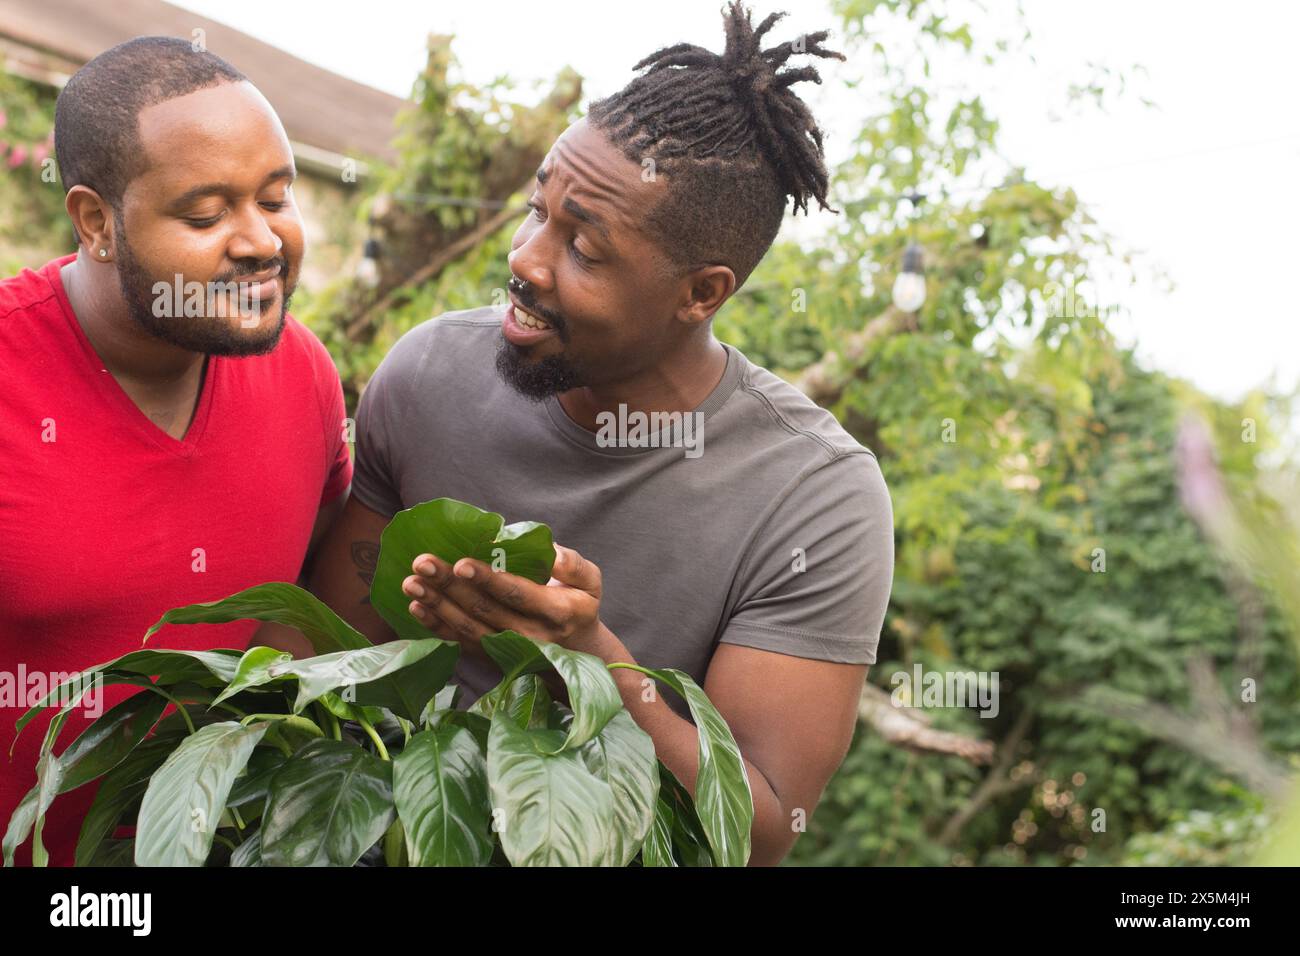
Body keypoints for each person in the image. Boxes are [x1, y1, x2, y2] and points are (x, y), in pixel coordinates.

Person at [305, 1, 894, 866]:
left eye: (584, 247)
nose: (526, 259)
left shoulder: (816, 498)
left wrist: (586, 662)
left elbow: (759, 829)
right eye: (538, 208)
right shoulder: (430, 374)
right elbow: (321, 652)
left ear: (702, 293)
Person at [0, 37, 352, 866]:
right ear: (96, 222)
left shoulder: (304, 375)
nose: (261, 241)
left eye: (276, 198)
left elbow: (310, 590)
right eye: (206, 214)